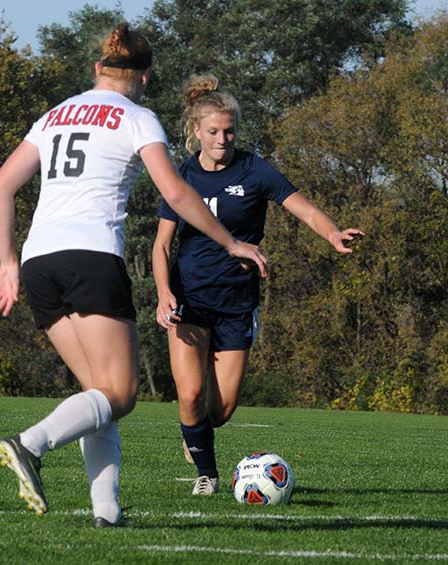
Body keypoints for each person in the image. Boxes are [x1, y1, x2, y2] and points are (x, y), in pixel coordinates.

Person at [0, 25, 268, 527]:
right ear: (144, 76)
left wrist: (7, 262)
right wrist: (230, 241)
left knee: (100, 392)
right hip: (91, 256)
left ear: (98, 69)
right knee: (121, 394)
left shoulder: (53, 115)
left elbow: (0, 187)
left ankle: (108, 513)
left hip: (37, 261)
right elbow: (179, 193)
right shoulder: (137, 117)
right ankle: (30, 444)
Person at [151, 75, 363, 496]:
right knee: (190, 394)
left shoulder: (254, 169)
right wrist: (163, 294)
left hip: (236, 301)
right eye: (213, 131)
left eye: (229, 131)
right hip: (188, 298)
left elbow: (303, 209)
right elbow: (160, 245)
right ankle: (207, 476)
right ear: (196, 131)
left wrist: (333, 233)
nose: (222, 139)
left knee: (222, 409)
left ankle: (196, 431)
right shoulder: (181, 177)